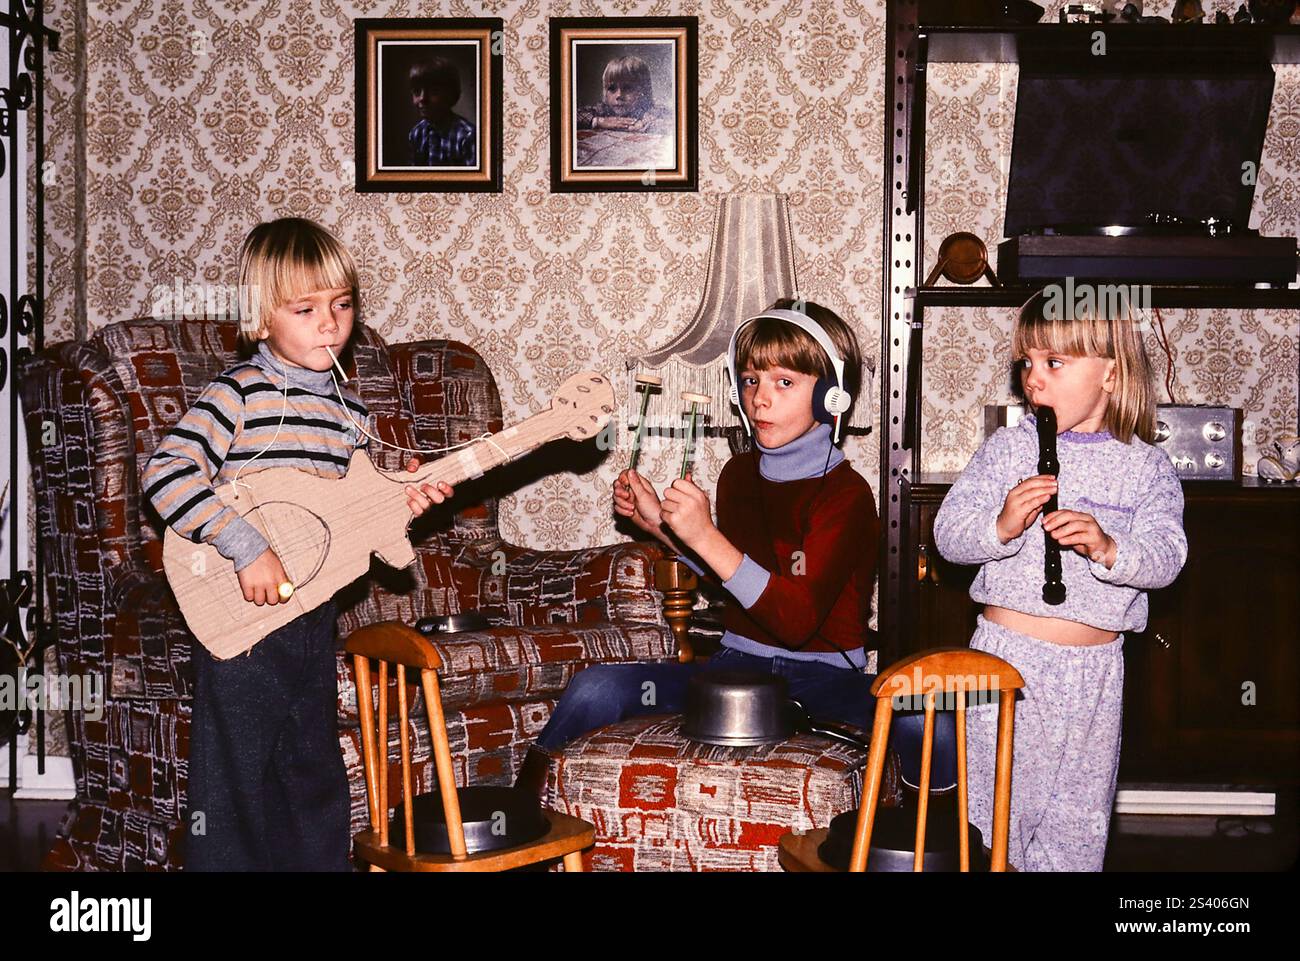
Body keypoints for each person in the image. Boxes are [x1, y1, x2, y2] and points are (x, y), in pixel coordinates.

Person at [143, 217, 455, 871]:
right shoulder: (238, 395)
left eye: (342, 305)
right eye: (306, 308)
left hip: (313, 619)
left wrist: (404, 500)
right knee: (234, 781)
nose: (329, 324)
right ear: (260, 317)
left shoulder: (351, 416)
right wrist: (244, 542)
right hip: (245, 625)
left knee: (312, 771)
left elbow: (349, 522)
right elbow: (167, 472)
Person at [514, 298, 880, 795]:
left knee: (928, 719)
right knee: (597, 686)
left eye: (784, 382)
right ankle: (527, 813)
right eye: (750, 380)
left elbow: (794, 622)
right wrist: (660, 528)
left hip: (824, 682)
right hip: (736, 670)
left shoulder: (847, 495)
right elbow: (732, 580)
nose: (760, 399)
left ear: (831, 398)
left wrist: (704, 534)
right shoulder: (738, 474)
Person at [933, 289, 1187, 872]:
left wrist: (1109, 547)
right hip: (1007, 667)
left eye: (1054, 363)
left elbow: (1169, 557)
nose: (1033, 379)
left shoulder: (1146, 466)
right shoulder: (1007, 449)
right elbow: (950, 534)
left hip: (1095, 673)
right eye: (1026, 363)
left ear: (1112, 375)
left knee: (1076, 825)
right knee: (993, 823)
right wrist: (1001, 525)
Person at [575, 54, 673, 134]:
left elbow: (674, 123)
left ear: (644, 91)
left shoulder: (652, 109)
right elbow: (570, 116)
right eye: (612, 88)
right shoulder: (604, 109)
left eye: (628, 88)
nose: (619, 95)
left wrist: (644, 124)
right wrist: (598, 121)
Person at [408, 57, 476, 167]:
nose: (422, 98)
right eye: (416, 92)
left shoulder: (468, 136)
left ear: (451, 95)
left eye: (433, 91)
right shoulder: (416, 133)